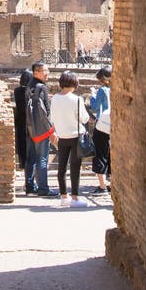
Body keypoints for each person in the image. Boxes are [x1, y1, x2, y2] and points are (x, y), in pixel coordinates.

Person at [50, 71, 90, 208]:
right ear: (74, 83)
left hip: (62, 136)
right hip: (75, 137)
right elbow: (85, 118)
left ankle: (63, 196)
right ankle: (74, 198)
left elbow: (52, 119)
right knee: (75, 167)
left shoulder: (54, 98)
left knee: (61, 168)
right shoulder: (76, 99)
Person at [24, 61, 58, 197]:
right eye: (44, 71)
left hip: (31, 127)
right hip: (42, 129)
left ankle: (30, 186)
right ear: (36, 72)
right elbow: (46, 110)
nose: (47, 73)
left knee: (31, 158)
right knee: (42, 158)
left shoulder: (29, 86)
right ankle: (43, 188)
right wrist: (51, 130)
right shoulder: (42, 87)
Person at [90, 67, 111, 194]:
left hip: (103, 125)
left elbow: (95, 107)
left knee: (100, 153)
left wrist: (93, 95)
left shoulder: (102, 90)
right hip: (114, 125)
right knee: (111, 154)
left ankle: (102, 186)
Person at [13, 68, 33, 173]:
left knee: (23, 150)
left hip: (20, 122)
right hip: (31, 124)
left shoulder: (16, 91)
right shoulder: (32, 91)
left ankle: (26, 176)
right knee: (32, 152)